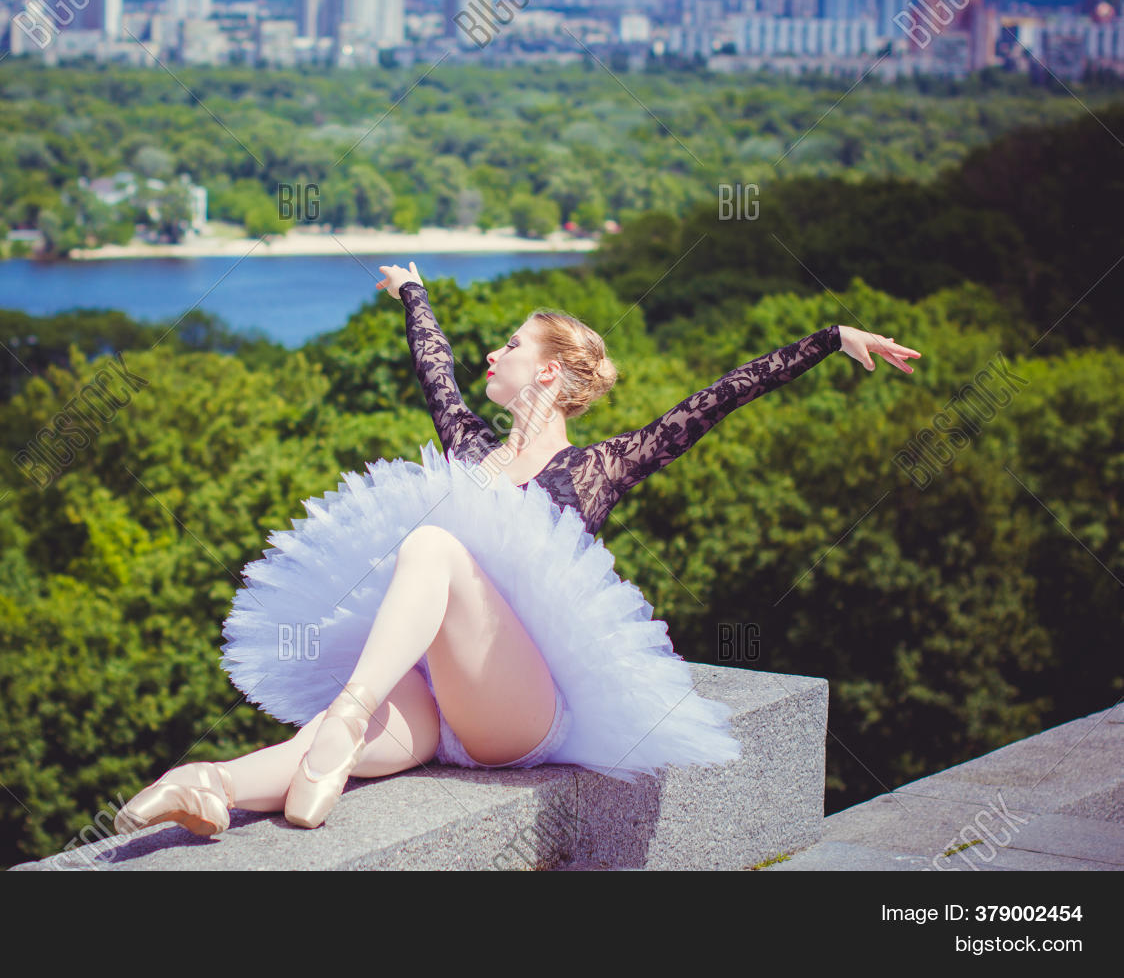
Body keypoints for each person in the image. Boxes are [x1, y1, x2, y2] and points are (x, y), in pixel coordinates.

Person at [115, 261, 921, 835]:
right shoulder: (469, 446)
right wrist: (413, 291)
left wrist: (829, 339)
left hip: (519, 712)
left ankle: (344, 720)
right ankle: (207, 785)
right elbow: (432, 365)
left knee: (432, 544)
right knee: (314, 744)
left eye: (510, 347)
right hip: (441, 708)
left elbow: (713, 402)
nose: (490, 356)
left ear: (549, 376)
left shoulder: (597, 467)